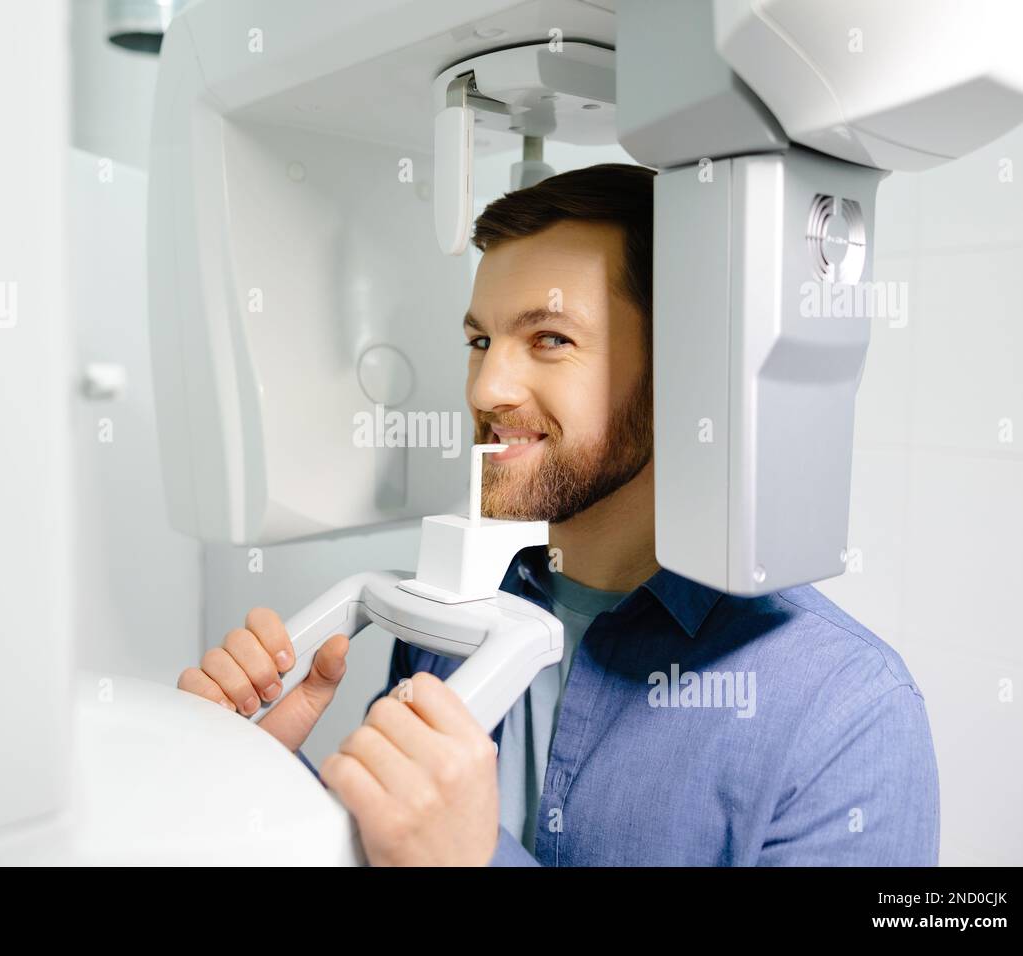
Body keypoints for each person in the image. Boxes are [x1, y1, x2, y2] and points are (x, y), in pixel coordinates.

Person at [177, 163, 940, 867]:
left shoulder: (847, 715)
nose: (485, 389)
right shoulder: (452, 620)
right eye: (480, 340)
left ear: (685, 369)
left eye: (549, 339)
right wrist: (269, 772)